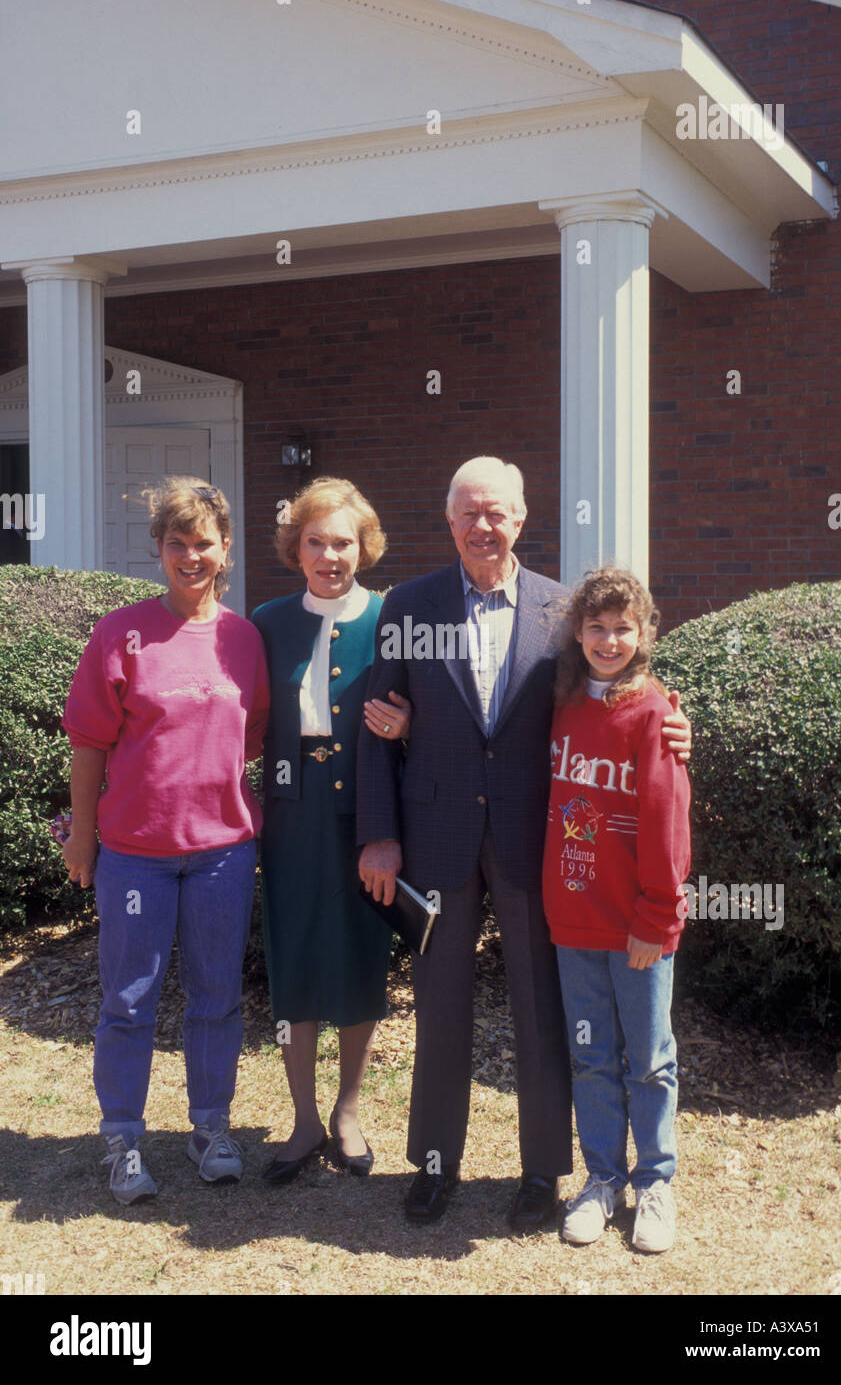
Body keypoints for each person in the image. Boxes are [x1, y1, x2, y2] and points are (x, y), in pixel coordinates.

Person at [357, 455, 692, 1230]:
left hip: (536, 843)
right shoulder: (407, 605)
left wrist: (674, 721)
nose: (484, 525)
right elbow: (377, 730)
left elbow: (616, 688)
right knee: (440, 1006)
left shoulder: (561, 610)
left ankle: (543, 1173)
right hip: (435, 836)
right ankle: (435, 1165)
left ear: (521, 519)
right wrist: (378, 837)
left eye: (498, 511)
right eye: (469, 512)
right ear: (449, 521)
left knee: (545, 1008)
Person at [62, 477, 270, 1205]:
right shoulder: (121, 633)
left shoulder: (243, 639)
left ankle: (211, 1127)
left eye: (203, 544)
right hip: (134, 854)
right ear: (158, 549)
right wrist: (83, 835)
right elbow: (88, 744)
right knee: (129, 999)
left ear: (225, 551)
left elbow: (254, 733)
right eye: (176, 544)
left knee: (216, 996)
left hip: (221, 852)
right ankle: (122, 1135)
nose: (191, 556)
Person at [251, 477, 409, 1183]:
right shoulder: (267, 620)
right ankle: (303, 1118)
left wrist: (409, 726)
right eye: (315, 541)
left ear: (363, 547)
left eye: (342, 541)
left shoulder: (392, 616)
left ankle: (347, 1110)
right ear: (297, 549)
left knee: (356, 958)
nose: (329, 554)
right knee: (295, 961)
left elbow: (431, 713)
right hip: (288, 816)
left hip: (364, 817)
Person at [542, 568, 690, 1253]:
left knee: (650, 1060)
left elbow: (668, 824)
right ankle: (602, 1179)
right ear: (578, 631)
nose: (609, 640)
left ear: (645, 633)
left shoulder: (656, 712)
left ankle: (655, 1182)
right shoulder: (562, 702)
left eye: (622, 628)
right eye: (596, 627)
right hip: (573, 919)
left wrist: (657, 919)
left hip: (637, 928)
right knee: (591, 1056)